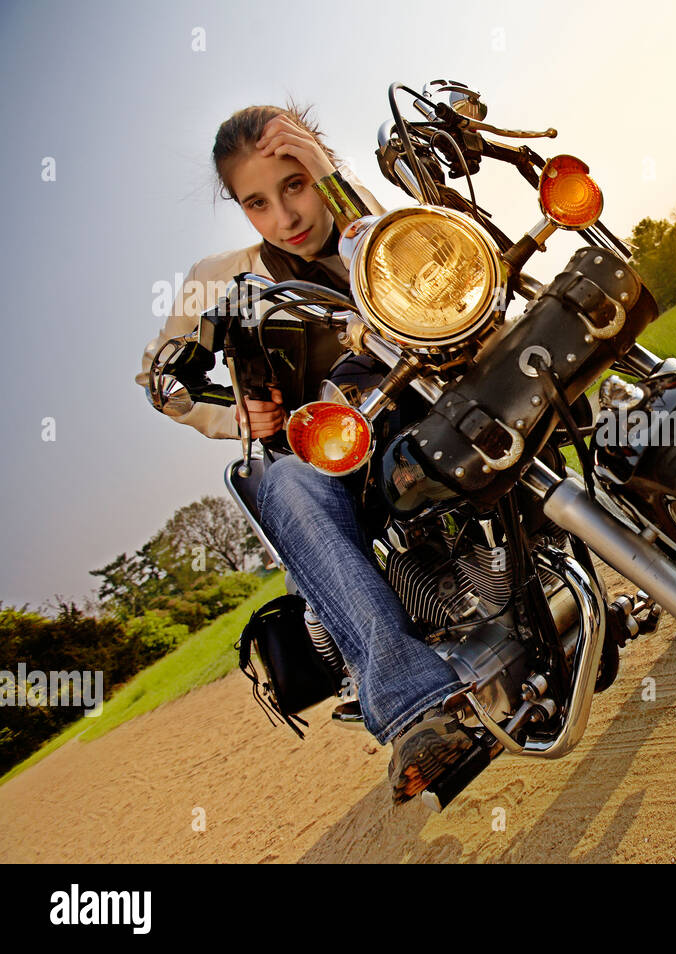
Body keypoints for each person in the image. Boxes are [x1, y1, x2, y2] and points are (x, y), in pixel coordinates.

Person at [136, 104, 472, 804]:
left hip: (430, 409)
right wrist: (230, 415)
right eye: (258, 202)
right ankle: (412, 708)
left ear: (321, 166)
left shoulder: (367, 223)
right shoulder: (221, 276)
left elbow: (432, 271)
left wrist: (335, 179)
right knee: (281, 481)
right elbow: (158, 380)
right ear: (241, 208)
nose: (286, 215)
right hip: (328, 458)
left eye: (296, 183)